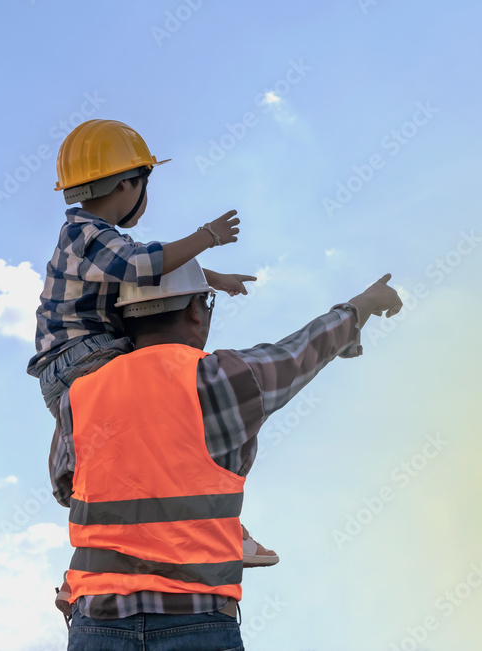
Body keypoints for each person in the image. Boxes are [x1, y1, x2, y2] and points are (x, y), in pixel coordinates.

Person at [49, 260, 403, 650]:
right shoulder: (223, 379)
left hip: (96, 624)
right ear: (194, 310)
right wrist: (363, 304)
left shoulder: (78, 395)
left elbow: (67, 490)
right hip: (197, 620)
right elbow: (302, 351)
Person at [27, 118, 275, 567]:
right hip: (85, 356)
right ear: (127, 183)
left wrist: (214, 278)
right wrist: (207, 237)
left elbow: (146, 270)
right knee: (171, 407)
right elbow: (142, 268)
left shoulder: (94, 239)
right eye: (145, 182)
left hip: (71, 365)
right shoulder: (85, 234)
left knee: (128, 461)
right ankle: (219, 525)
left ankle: (90, 539)